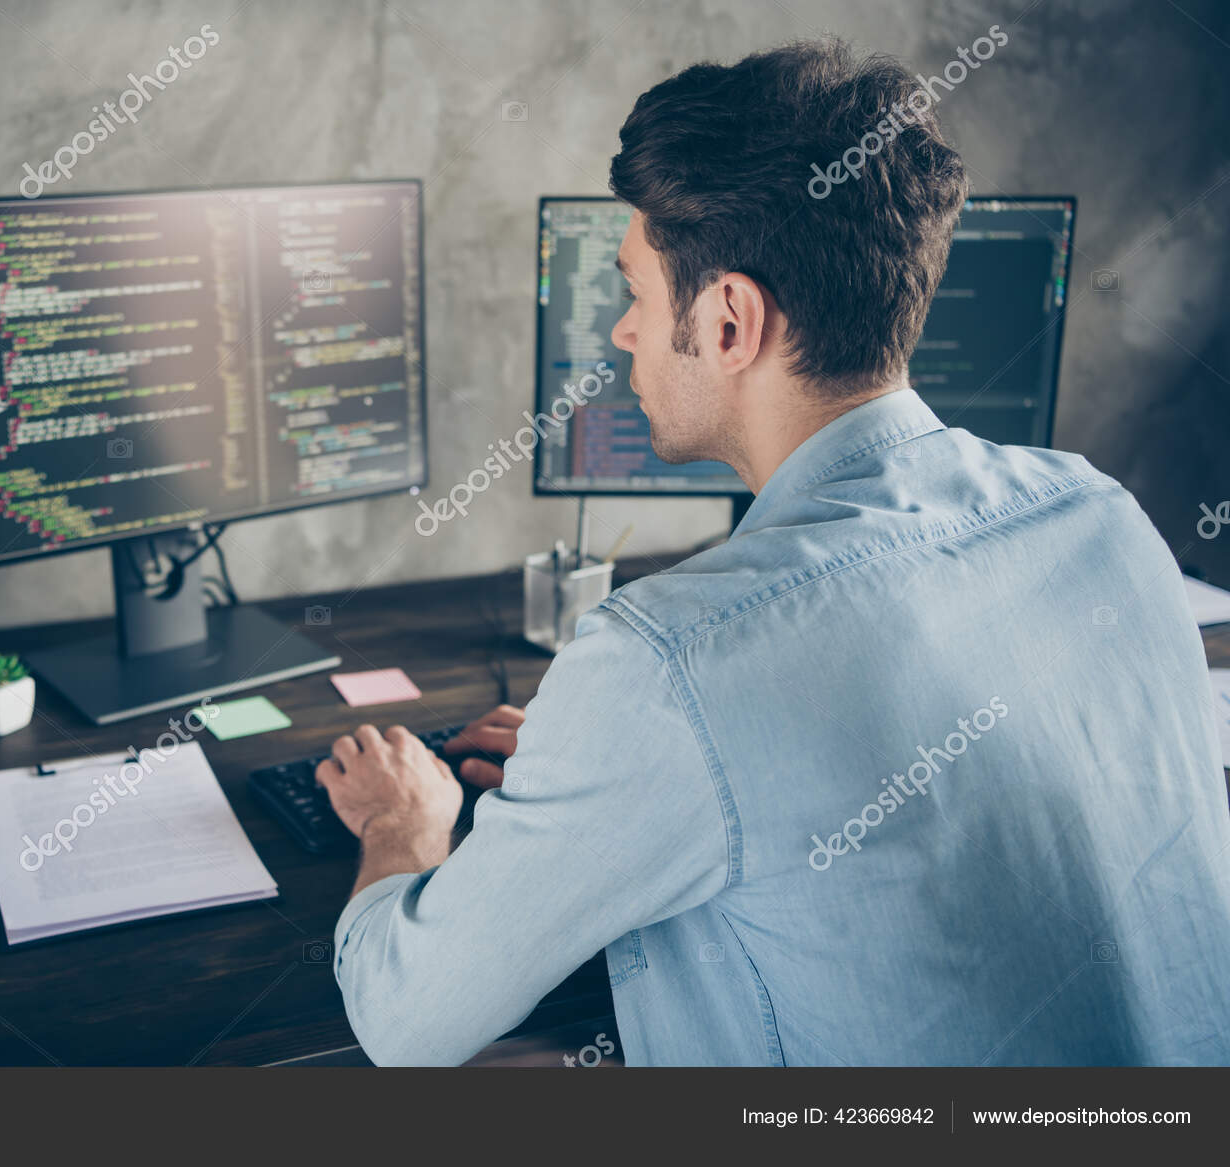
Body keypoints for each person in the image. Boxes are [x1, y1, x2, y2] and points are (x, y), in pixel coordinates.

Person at [314, 39, 1230, 1065]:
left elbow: (402, 1023)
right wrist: (607, 767)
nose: (621, 333)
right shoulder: (1103, 516)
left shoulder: (666, 661)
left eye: (636, 295)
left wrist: (404, 823)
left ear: (728, 319)